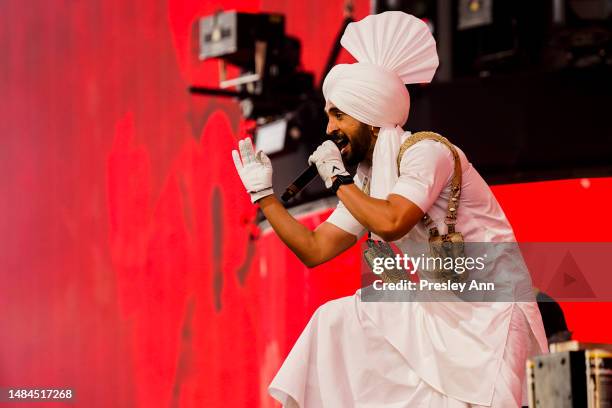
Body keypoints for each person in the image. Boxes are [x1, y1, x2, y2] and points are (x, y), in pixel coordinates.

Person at [232, 11, 548, 407]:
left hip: (491, 311)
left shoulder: (425, 153)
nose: (329, 128)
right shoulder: (367, 181)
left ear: (370, 116)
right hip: (439, 311)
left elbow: (394, 221)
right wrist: (264, 195)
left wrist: (337, 179)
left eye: (339, 115)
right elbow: (315, 248)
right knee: (336, 321)